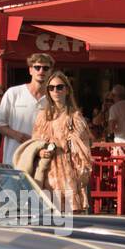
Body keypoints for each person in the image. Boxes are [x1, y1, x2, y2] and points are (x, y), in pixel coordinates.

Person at [31, 70, 93, 214]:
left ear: (67, 90)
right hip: (46, 168)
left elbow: (84, 150)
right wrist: (41, 151)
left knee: (69, 216)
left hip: (67, 169)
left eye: (59, 87)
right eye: (51, 88)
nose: (55, 91)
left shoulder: (75, 117)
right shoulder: (42, 116)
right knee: (47, 213)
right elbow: (34, 142)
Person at [0, 53, 53, 165]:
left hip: (42, 162)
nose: (41, 71)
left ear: (50, 71)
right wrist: (17, 135)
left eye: (45, 68)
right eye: (37, 67)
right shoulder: (14, 93)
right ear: (31, 70)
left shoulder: (53, 98)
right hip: (14, 159)